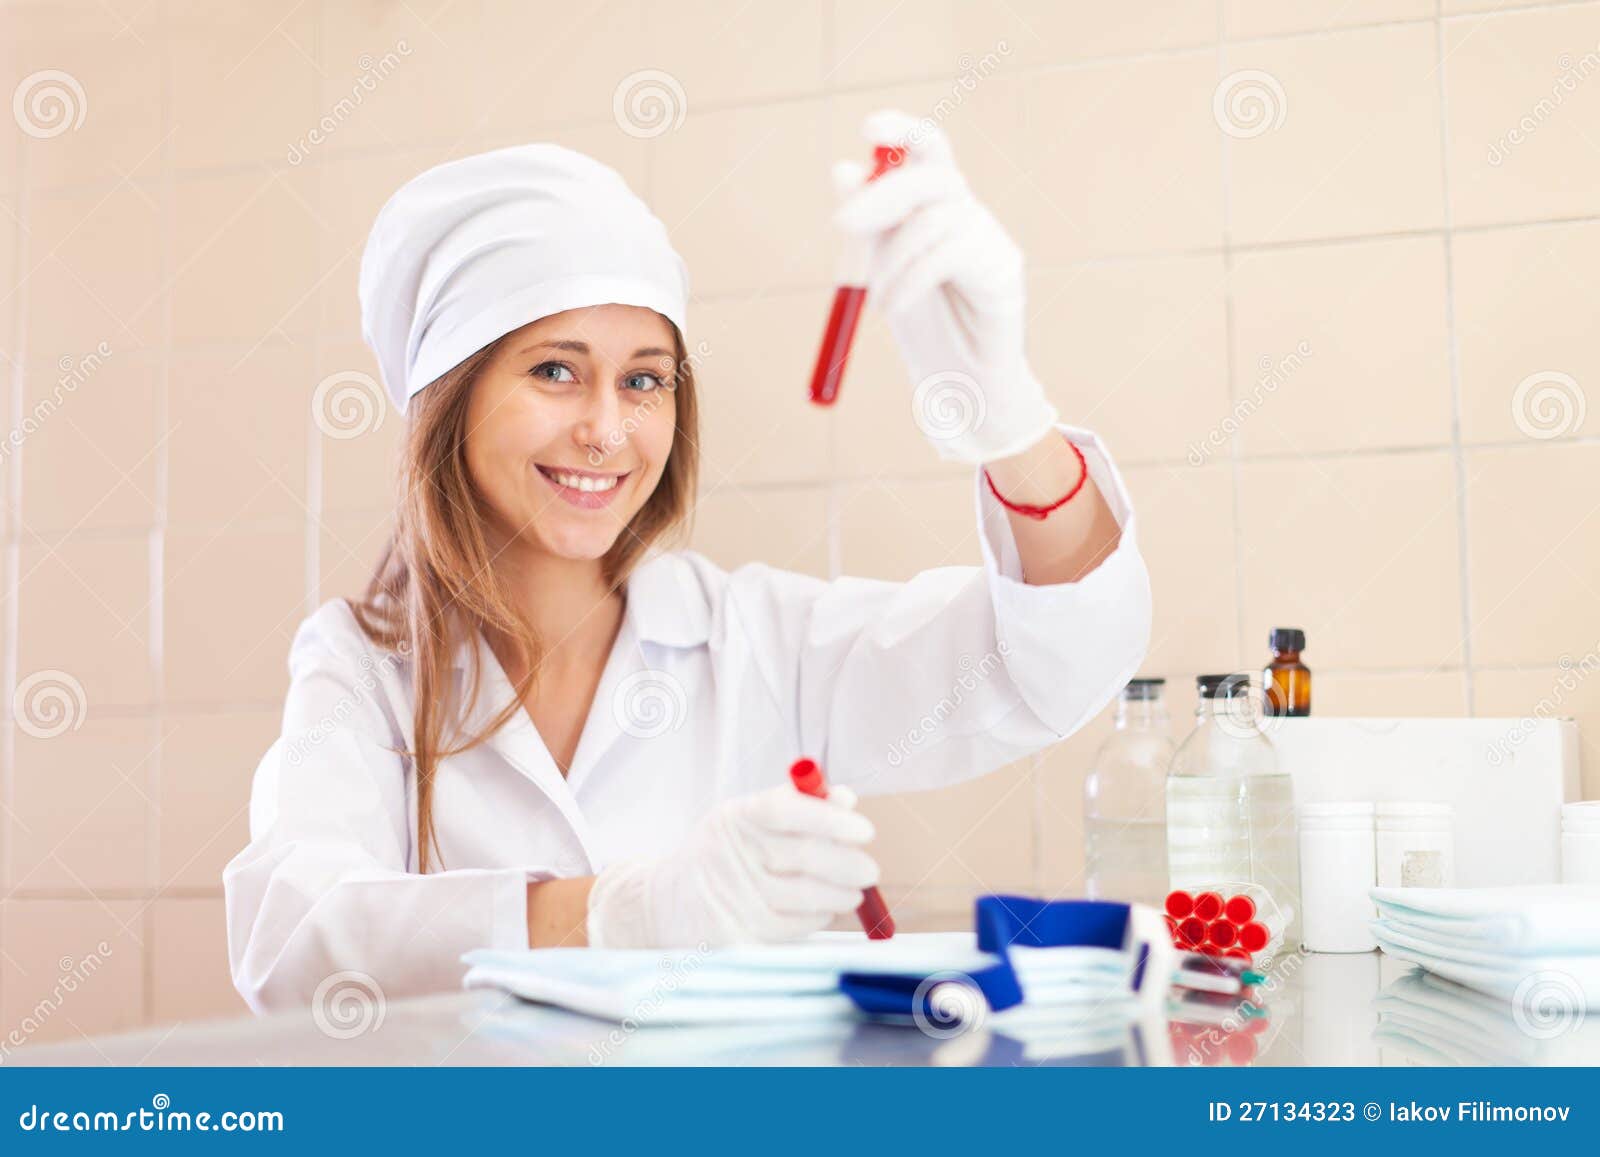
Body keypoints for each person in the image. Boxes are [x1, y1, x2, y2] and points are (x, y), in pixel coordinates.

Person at [223, 110, 1152, 1012]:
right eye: (555, 369)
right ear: (451, 399)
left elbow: (1049, 665)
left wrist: (1009, 417)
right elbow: (293, 944)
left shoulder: (760, 642)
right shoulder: (364, 662)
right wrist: (625, 911)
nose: (606, 430)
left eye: (644, 379)